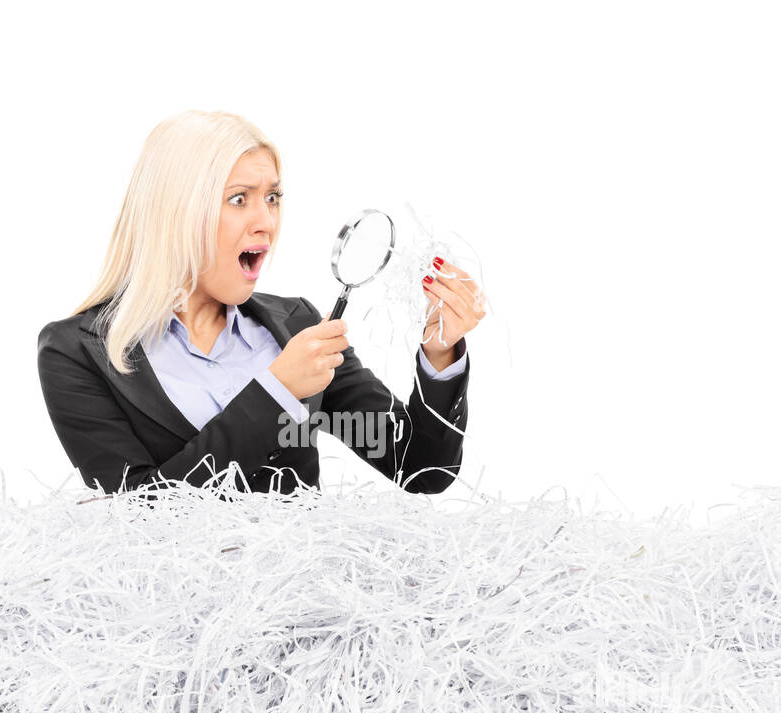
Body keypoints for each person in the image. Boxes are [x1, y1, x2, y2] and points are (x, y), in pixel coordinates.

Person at [37, 110, 486, 497]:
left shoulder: (296, 326)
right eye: (239, 199)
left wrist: (440, 351)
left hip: (303, 596)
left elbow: (421, 468)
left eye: (272, 198)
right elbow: (141, 516)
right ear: (175, 211)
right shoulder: (76, 351)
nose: (266, 222)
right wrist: (277, 391)